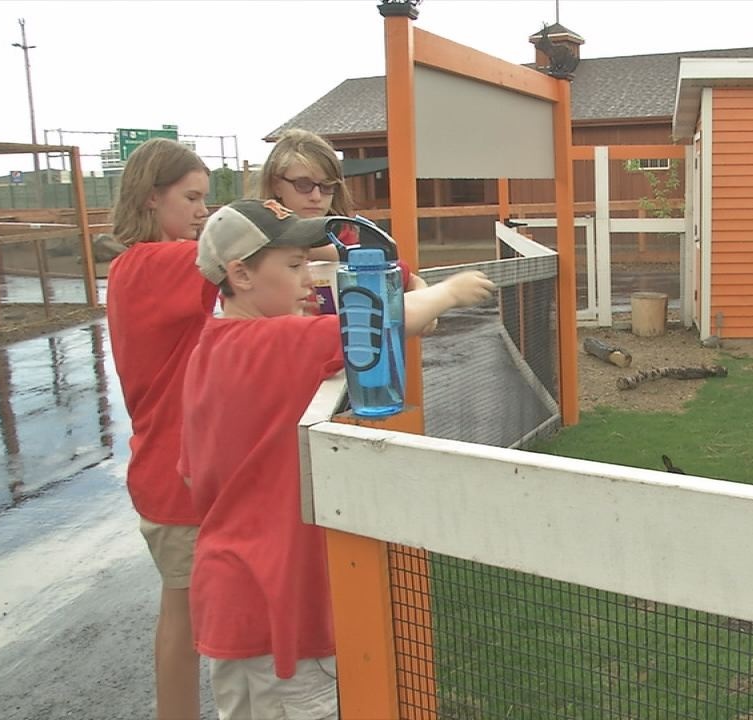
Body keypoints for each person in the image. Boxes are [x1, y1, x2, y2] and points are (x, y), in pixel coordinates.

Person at [179, 198, 494, 719]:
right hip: (286, 608)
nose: (310, 279)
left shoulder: (207, 351)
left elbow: (191, 473)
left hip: (226, 601)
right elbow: (374, 323)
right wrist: (449, 292)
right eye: (295, 265)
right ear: (241, 274)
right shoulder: (274, 342)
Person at [104, 137, 212, 720]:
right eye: (192, 197)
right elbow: (238, 254)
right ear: (152, 197)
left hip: (172, 468)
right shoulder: (155, 264)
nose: (202, 211)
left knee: (186, 610)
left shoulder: (139, 266)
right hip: (177, 476)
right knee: (186, 615)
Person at [253, 128, 427, 293]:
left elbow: (404, 275)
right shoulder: (250, 239)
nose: (316, 196)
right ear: (276, 185)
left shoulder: (342, 234)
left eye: (327, 186)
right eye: (303, 184)